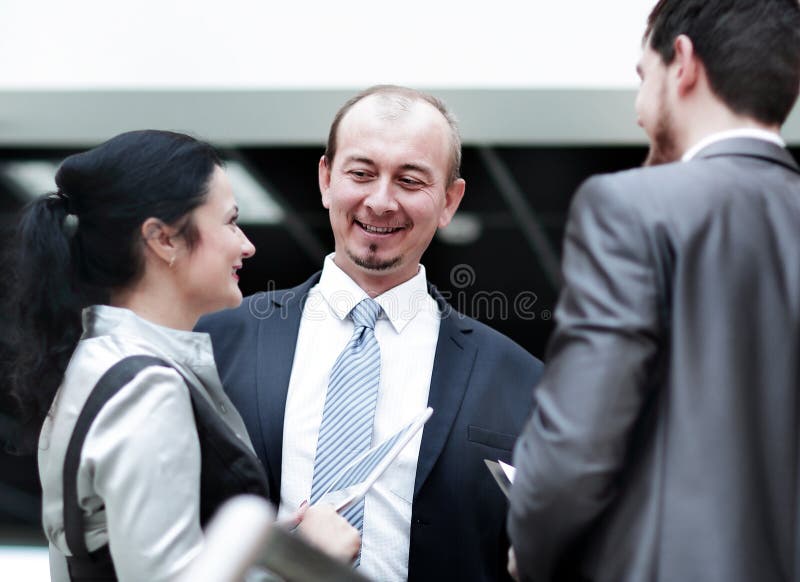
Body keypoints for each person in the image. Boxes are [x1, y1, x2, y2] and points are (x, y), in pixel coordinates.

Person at [197, 85, 544, 581]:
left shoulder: (521, 380)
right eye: (361, 174)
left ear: (449, 201)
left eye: (410, 180)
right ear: (325, 179)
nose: (380, 201)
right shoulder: (219, 342)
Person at [507, 1, 800, 581]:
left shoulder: (631, 206)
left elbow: (576, 447)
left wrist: (531, 549)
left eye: (644, 79)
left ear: (683, 63)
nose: (640, 112)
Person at [3, 130, 359, 582]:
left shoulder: (97, 364)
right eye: (230, 222)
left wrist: (250, 545)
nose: (246, 245)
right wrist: (308, 558)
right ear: (163, 239)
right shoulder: (147, 390)